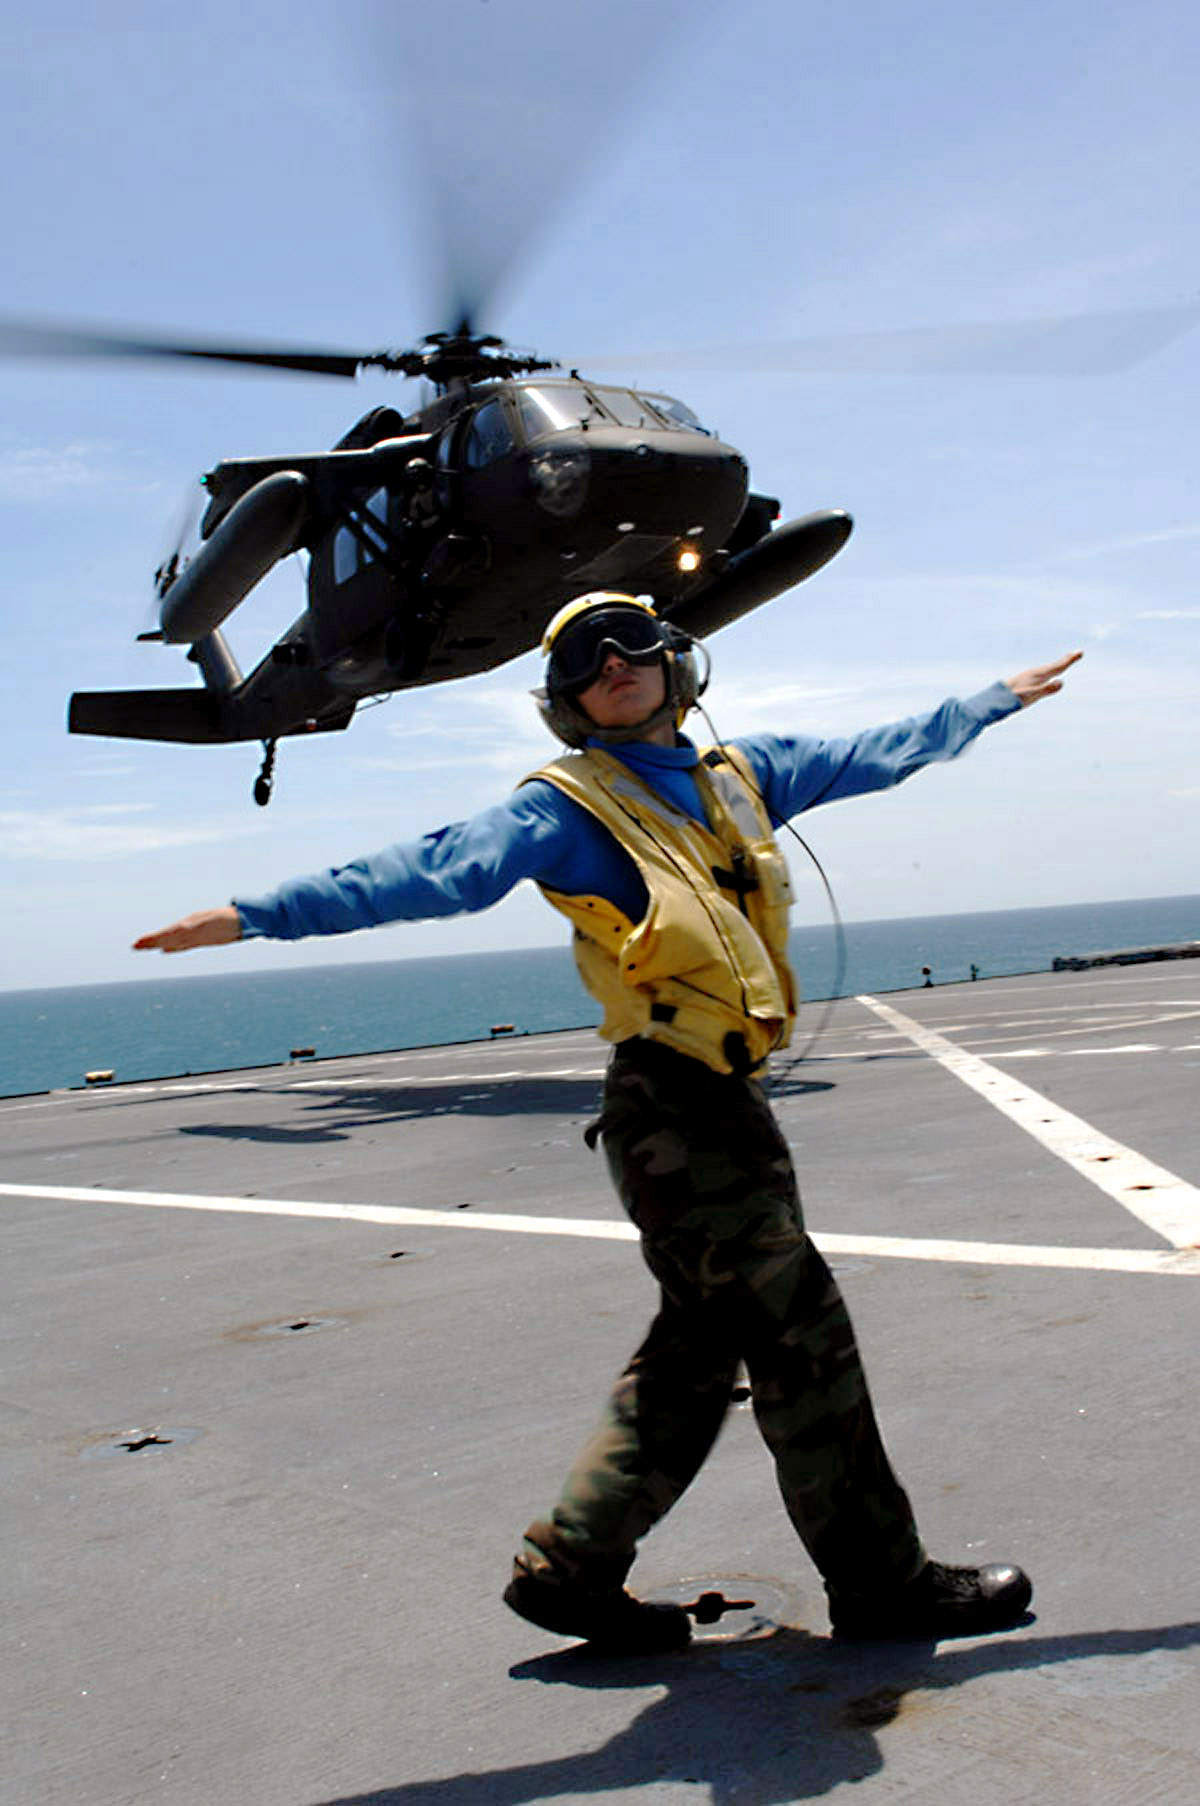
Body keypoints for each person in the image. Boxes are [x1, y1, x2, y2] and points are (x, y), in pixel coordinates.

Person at [135, 592, 1082, 1654]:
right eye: (583, 660)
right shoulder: (566, 809)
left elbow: (881, 750)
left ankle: (571, 1570)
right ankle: (882, 1586)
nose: (612, 664)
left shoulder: (746, 775)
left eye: (630, 643)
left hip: (719, 1107)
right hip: (679, 1113)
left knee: (696, 1350)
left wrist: (991, 701)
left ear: (678, 664)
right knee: (803, 1339)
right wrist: (255, 916)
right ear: (565, 701)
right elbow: (432, 869)